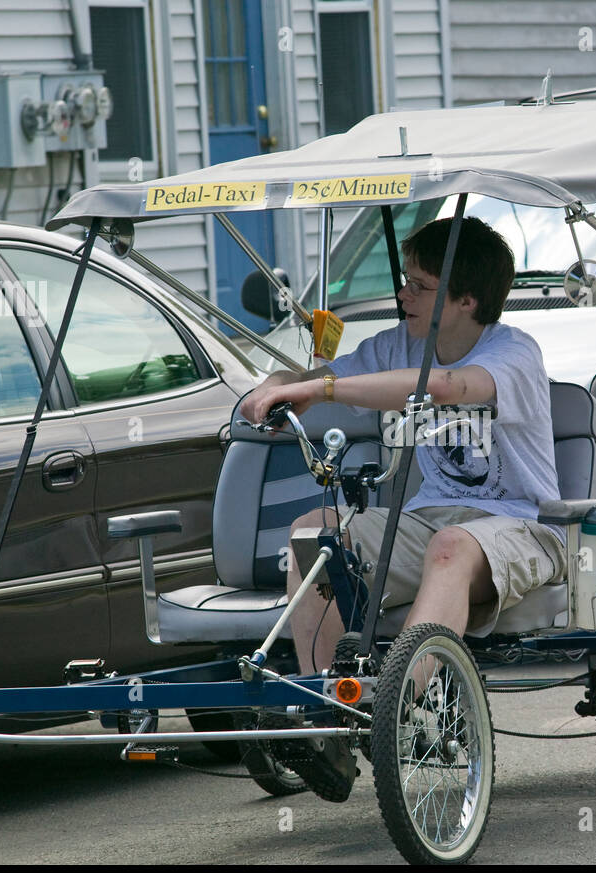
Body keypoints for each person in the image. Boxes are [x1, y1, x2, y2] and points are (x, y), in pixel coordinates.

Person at [240, 216, 566, 678]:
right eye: (405, 281)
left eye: (420, 285)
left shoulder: (514, 352)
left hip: (522, 525)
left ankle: (399, 709)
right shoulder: (397, 347)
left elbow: (448, 386)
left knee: (451, 546)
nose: (402, 295)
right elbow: (312, 378)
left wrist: (323, 391)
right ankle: (326, 703)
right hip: (428, 521)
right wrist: (278, 383)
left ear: (467, 301)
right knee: (314, 533)